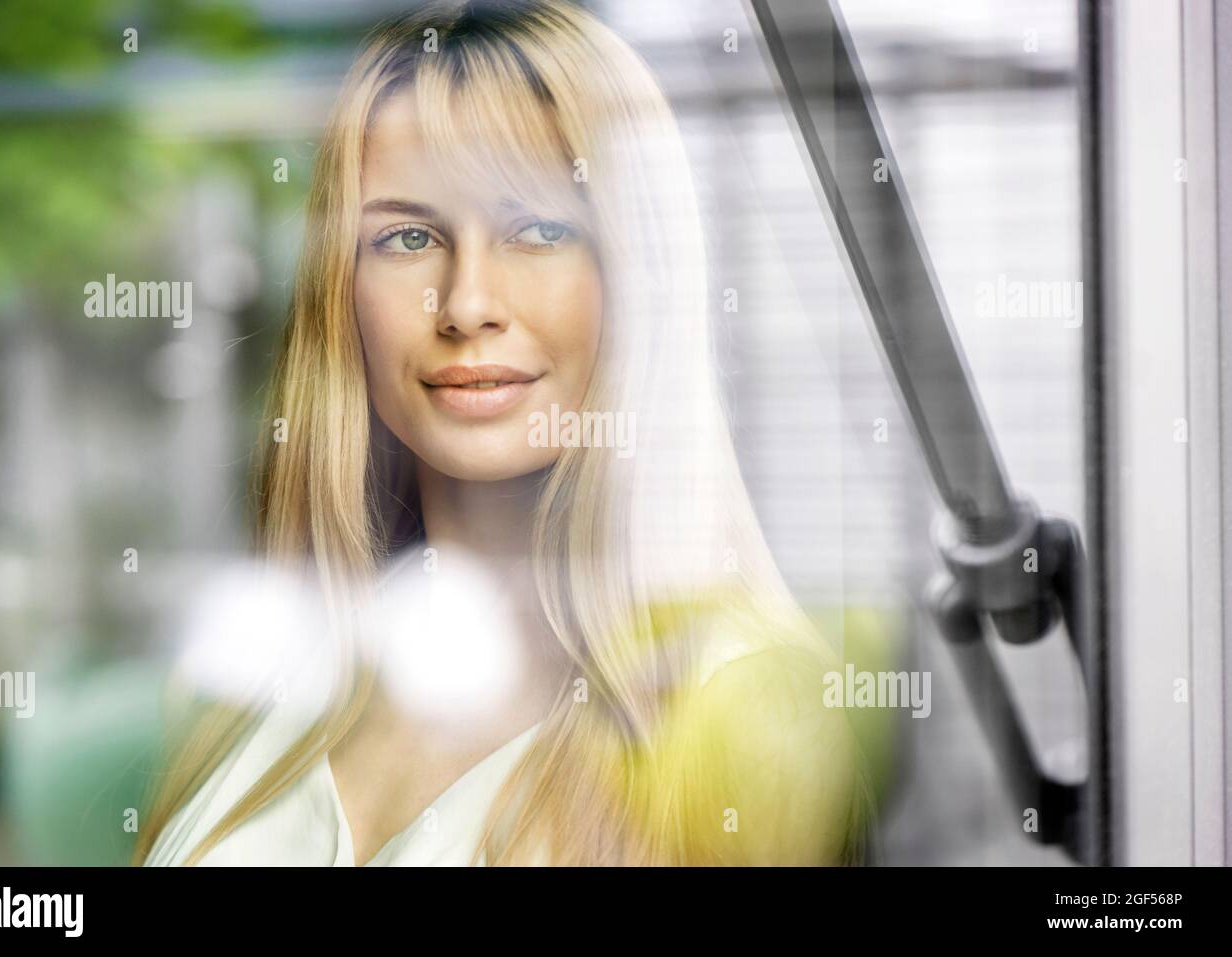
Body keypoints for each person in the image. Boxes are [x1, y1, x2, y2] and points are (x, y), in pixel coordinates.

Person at [135, 0, 873, 867]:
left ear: (639, 272)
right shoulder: (270, 682)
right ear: (344, 290)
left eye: (540, 229)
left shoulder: (743, 712)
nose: (468, 304)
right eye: (408, 236)